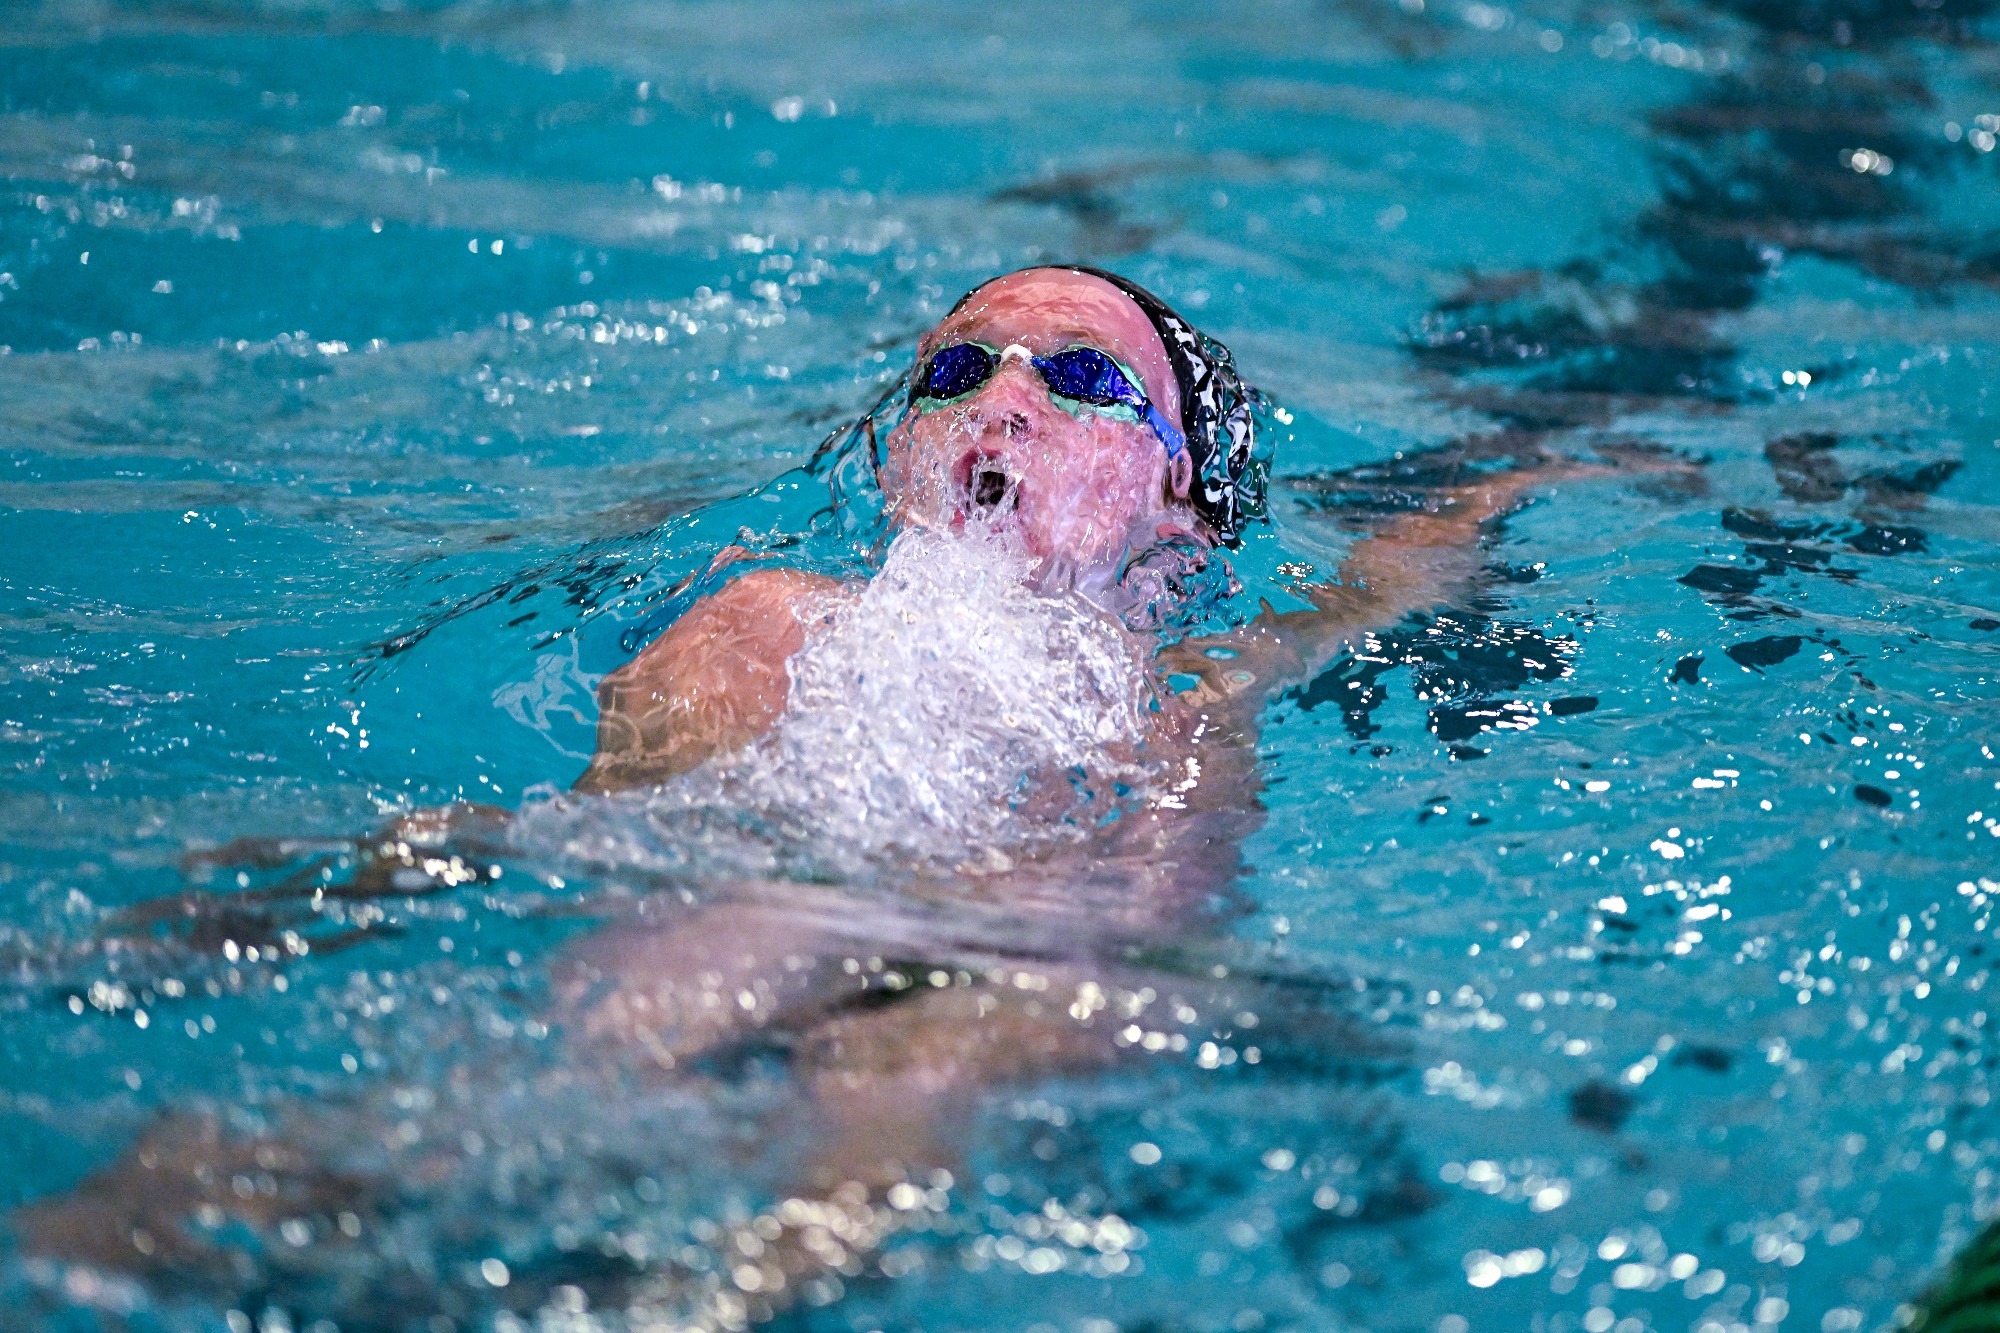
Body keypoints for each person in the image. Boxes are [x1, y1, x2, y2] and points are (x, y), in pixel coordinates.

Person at [14, 266, 1667, 1329]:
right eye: (957, 372)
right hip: (765, 896)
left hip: (1036, 961)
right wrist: (344, 882)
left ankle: (719, 1290)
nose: (1000, 398)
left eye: (1083, 382)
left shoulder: (1197, 685)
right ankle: (193, 1202)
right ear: (897, 462)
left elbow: (1390, 577)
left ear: (1187, 504)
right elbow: (599, 847)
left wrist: (1550, 459)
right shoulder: (770, 621)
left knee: (937, 1042)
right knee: (696, 967)